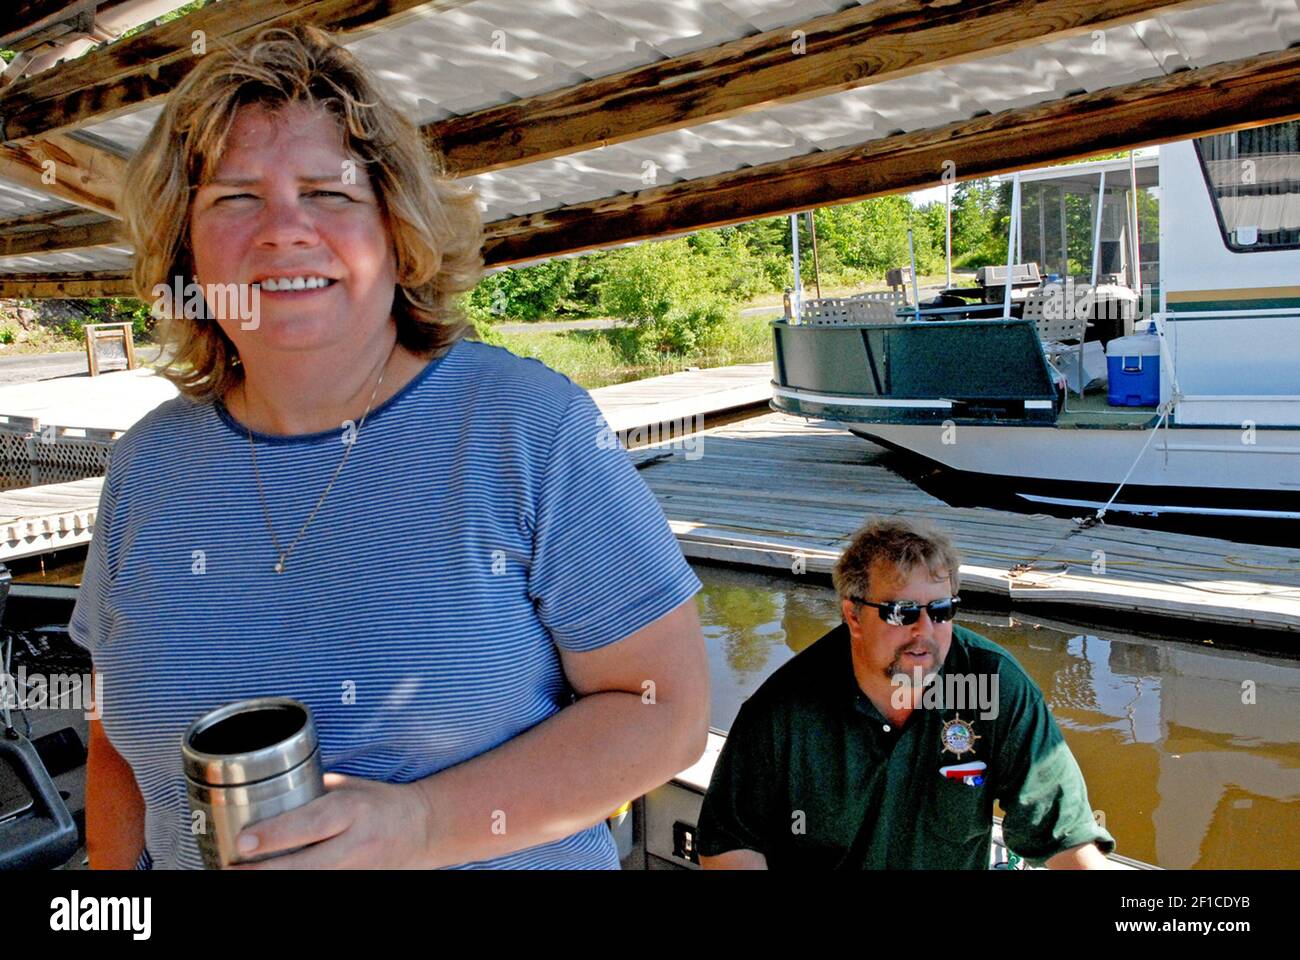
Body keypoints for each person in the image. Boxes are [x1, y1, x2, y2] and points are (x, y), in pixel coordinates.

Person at [71, 25, 708, 869]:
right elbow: (117, 743)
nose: (283, 229)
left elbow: (665, 710)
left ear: (396, 231)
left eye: (328, 193)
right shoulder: (146, 465)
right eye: (233, 197)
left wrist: (420, 824)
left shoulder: (527, 427)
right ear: (185, 249)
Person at [697, 517, 1114, 869]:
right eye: (903, 613)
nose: (924, 632)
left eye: (941, 610)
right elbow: (730, 843)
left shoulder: (995, 686)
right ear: (853, 616)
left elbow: (1066, 840)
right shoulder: (783, 708)